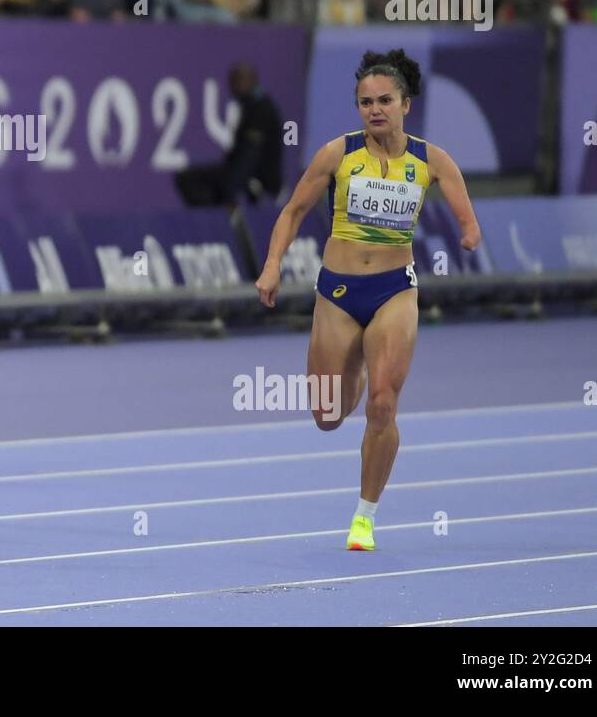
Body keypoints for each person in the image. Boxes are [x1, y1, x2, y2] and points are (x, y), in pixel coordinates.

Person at [254, 49, 481, 551]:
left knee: (383, 404)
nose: (374, 109)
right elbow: (292, 212)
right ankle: (353, 367)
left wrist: (468, 232)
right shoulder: (338, 153)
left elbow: (466, 214)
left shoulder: (430, 160)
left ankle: (364, 516)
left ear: (405, 104)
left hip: (393, 291)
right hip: (337, 293)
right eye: (364, 102)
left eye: (384, 101)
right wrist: (272, 264)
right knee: (327, 415)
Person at [174, 63, 282, 207]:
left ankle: (219, 219)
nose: (232, 88)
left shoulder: (261, 109)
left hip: (259, 179)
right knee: (188, 177)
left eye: (236, 82)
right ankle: (218, 216)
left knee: (192, 180)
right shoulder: (251, 106)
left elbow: (250, 156)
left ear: (247, 81)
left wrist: (230, 189)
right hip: (240, 173)